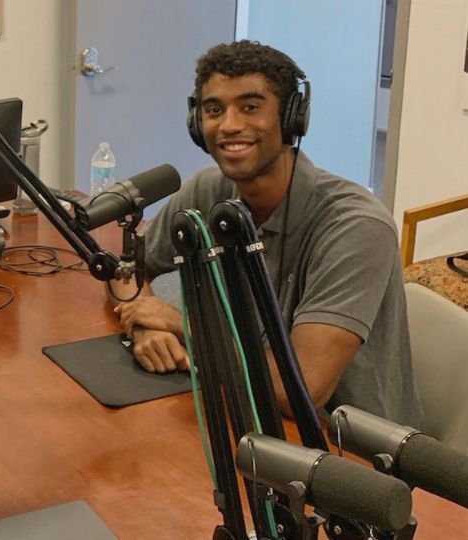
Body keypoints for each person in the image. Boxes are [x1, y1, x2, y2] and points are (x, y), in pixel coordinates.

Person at [110, 40, 422, 427]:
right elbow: (127, 270)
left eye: (250, 107)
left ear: (291, 119)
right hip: (242, 409)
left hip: (348, 451)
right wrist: (142, 327)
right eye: (213, 110)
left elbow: (302, 389)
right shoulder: (206, 191)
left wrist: (182, 326)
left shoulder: (356, 226)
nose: (228, 125)